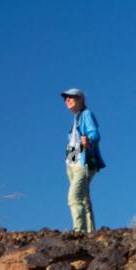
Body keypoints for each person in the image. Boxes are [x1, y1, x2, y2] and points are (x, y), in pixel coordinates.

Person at [61, 88, 104, 233]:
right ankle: (90, 233)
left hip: (82, 162)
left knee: (74, 196)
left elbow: (95, 134)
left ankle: (78, 231)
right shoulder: (76, 119)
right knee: (84, 198)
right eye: (66, 98)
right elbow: (73, 143)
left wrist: (89, 141)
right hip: (73, 164)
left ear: (80, 100)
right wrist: (68, 162)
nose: (67, 100)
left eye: (71, 97)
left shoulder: (86, 114)